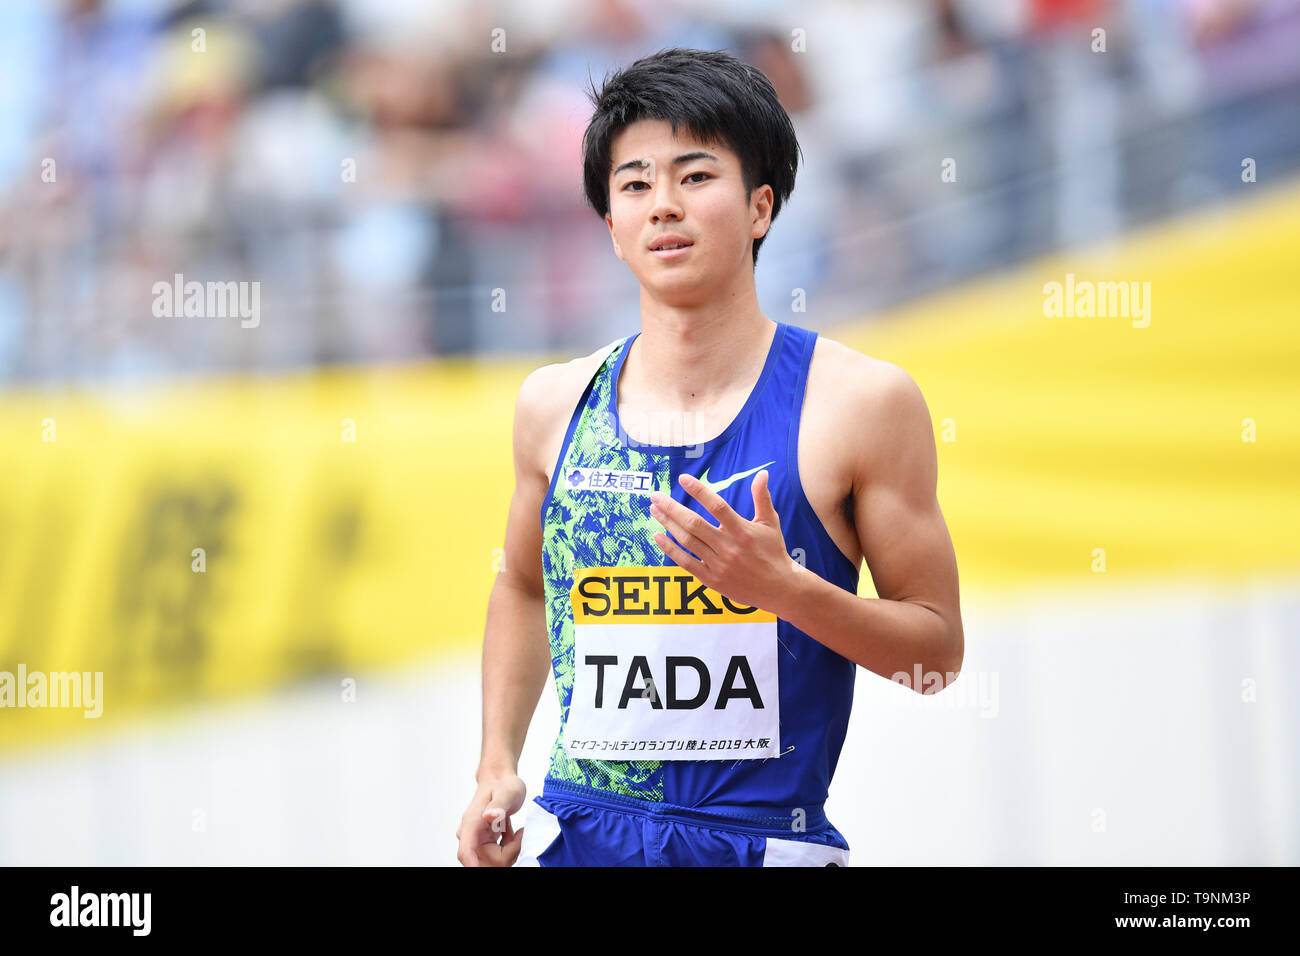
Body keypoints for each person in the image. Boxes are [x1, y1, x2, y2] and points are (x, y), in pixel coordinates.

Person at [456, 47, 964, 867]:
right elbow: (521, 584)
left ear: (760, 208)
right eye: (634, 185)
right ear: (612, 228)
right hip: (587, 838)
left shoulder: (863, 403)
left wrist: (784, 590)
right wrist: (495, 767)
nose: (663, 206)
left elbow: (936, 655)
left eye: (695, 177)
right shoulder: (553, 405)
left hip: (763, 845)